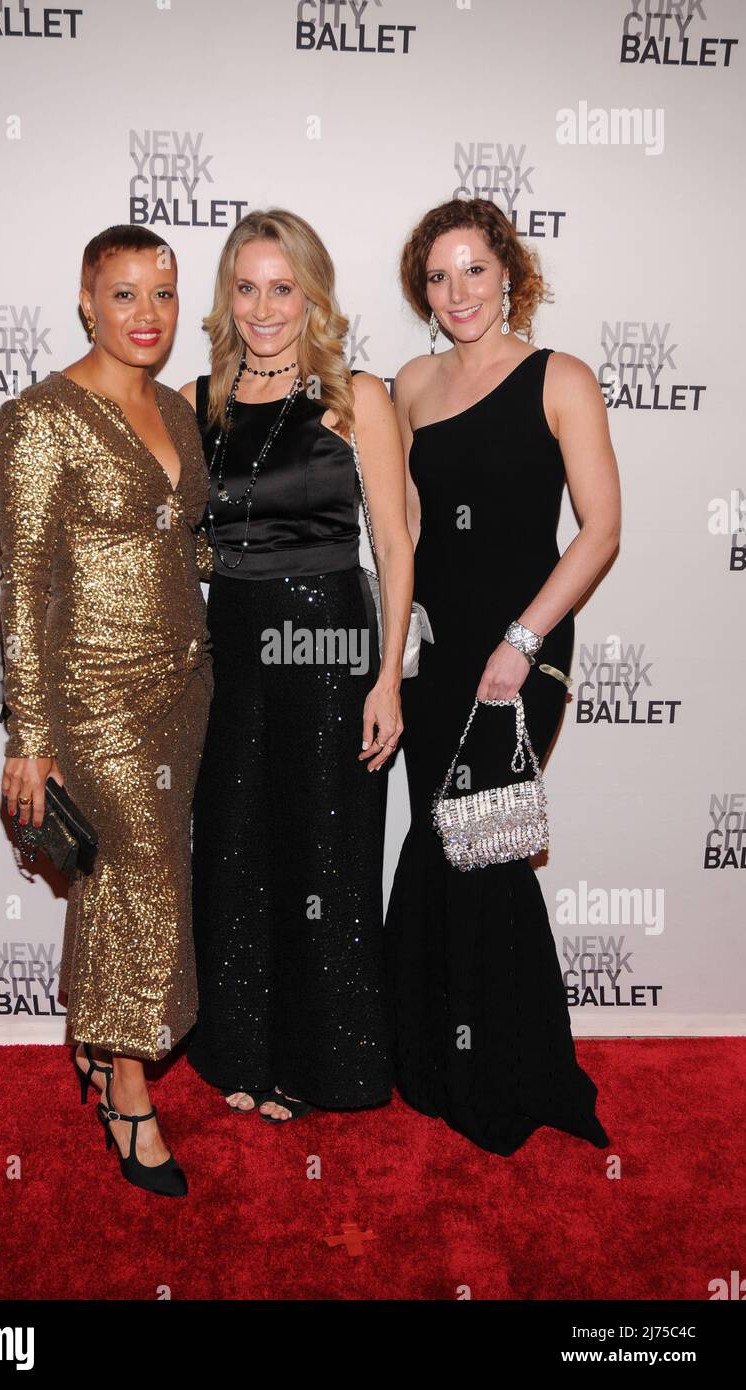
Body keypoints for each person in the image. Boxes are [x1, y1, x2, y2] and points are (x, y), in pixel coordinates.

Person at [383, 197, 619, 1155]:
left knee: (481, 845)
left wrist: (521, 639)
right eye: (437, 277)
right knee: (448, 848)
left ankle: (505, 1072)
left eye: (472, 269)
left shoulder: (560, 377)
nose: (456, 291)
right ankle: (436, 1056)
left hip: (525, 645)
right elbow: (400, 529)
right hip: (438, 653)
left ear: (507, 273)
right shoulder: (408, 385)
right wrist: (399, 638)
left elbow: (599, 531)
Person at [0, 224, 214, 1195]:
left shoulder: (176, 406)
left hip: (183, 683)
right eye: (123, 295)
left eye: (162, 294)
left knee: (123, 878)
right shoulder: (39, 418)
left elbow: (189, 547)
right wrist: (29, 736)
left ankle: (92, 1039)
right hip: (93, 690)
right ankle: (129, 1090)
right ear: (86, 300)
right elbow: (22, 582)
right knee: (144, 871)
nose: (146, 314)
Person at [179, 208, 413, 1122]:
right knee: (236, 846)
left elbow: (394, 546)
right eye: (247, 287)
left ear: (312, 294)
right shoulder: (201, 402)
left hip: (329, 640)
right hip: (233, 643)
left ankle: (327, 1065)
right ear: (226, 295)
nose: (264, 307)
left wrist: (387, 677)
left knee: (325, 854)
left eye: (283, 287)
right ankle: (243, 1047)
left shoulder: (355, 395)